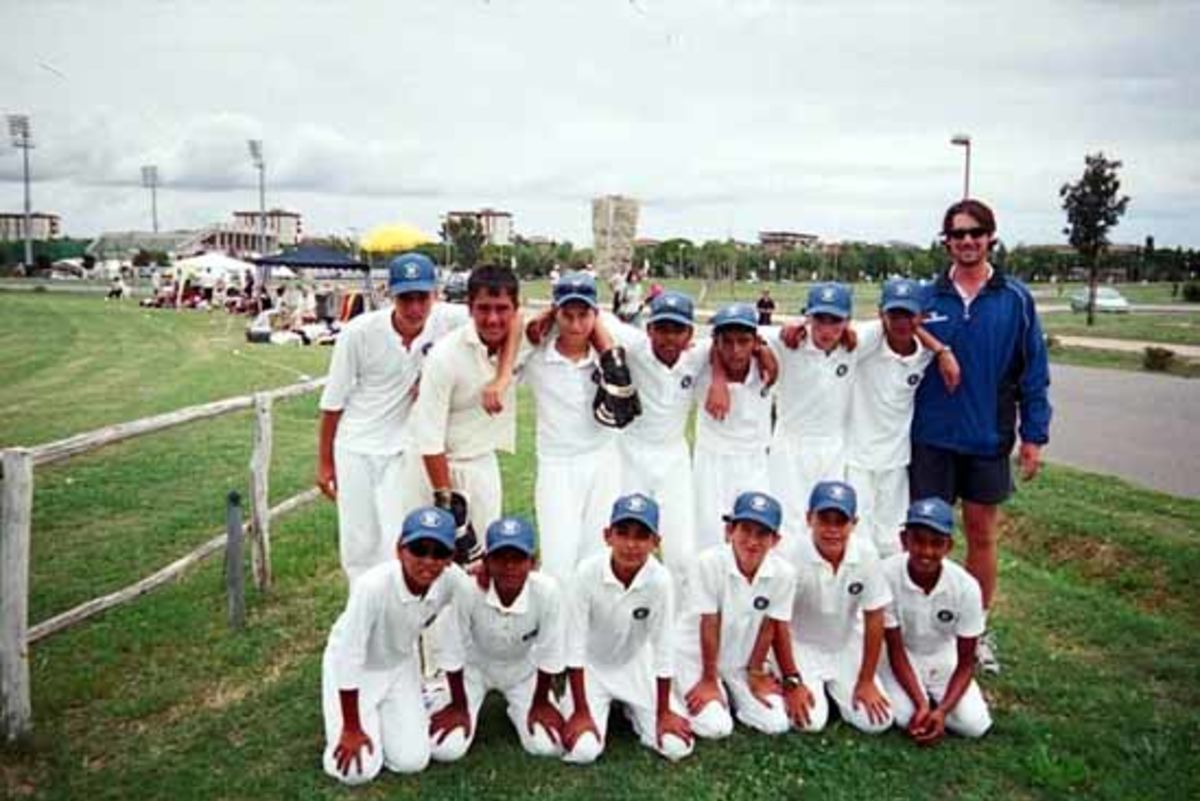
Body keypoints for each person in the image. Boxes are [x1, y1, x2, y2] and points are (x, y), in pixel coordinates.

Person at [910, 198, 1052, 673]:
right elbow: (893, 328)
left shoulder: (1014, 298)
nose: (967, 241)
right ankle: (919, 631)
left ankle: (975, 631)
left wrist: (1034, 435)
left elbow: (1034, 370)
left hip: (987, 437)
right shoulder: (927, 298)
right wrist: (940, 347)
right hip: (931, 437)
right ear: (946, 241)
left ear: (991, 237)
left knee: (981, 536)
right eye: (958, 234)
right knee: (925, 537)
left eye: (976, 232)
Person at [316, 252, 470, 583]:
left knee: (396, 536)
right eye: (405, 298)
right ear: (390, 295)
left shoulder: (449, 320)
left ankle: (399, 603)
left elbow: (505, 316)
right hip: (354, 445)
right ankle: (363, 604)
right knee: (358, 541)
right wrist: (325, 463)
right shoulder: (359, 332)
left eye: (422, 298)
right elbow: (332, 402)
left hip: (402, 448)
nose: (414, 308)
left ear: (435, 294)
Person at [320, 506, 472, 785]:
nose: (428, 561)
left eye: (439, 552)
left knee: (412, 761)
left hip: (401, 663)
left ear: (450, 558)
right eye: (418, 549)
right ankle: (349, 720)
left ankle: (399, 711)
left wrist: (487, 570)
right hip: (357, 669)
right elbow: (349, 655)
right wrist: (351, 727)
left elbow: (479, 594)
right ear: (400, 549)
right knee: (357, 772)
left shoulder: (451, 580)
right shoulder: (372, 587)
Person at [560, 494, 694, 764]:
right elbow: (574, 645)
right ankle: (586, 704)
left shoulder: (660, 580)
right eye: (622, 533)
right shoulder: (586, 573)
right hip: (592, 668)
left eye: (642, 536)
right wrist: (581, 712)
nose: (631, 545)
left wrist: (664, 710)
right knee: (584, 750)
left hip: (635, 663)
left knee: (676, 746)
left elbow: (663, 646)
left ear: (656, 542)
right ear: (607, 535)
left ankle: (633, 709)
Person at [411, 264, 523, 564]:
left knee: (484, 559)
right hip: (436, 469)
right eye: (483, 308)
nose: (493, 319)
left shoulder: (516, 340)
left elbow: (526, 320)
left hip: (482, 462)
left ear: (514, 310)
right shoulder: (445, 356)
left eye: (502, 309)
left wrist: (502, 377)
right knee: (435, 562)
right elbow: (429, 440)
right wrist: (447, 504)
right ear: (469, 308)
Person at [521, 272, 628, 584]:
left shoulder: (610, 347)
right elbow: (509, 343)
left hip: (603, 460)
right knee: (558, 560)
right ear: (555, 313)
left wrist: (604, 342)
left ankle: (589, 618)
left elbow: (648, 343)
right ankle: (558, 618)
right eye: (567, 315)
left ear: (597, 315)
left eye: (584, 315)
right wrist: (540, 320)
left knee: (597, 557)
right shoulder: (538, 354)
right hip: (557, 464)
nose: (576, 325)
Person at [427, 516, 565, 758]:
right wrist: (458, 706)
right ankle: (436, 695)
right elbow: (452, 648)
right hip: (474, 669)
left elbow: (549, 650)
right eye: (500, 557)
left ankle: (519, 708)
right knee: (445, 750)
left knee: (548, 747)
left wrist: (541, 702)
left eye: (518, 558)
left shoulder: (547, 592)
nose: (509, 566)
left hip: (522, 671)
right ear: (486, 561)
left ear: (533, 562)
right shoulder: (468, 589)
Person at [846, 278, 960, 557]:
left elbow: (922, 339)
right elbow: (829, 331)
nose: (901, 323)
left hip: (896, 461)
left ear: (921, 317)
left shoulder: (924, 355)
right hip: (856, 459)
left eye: (908, 315)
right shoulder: (866, 343)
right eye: (894, 315)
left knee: (892, 540)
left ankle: (888, 586)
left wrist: (941, 351)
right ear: (881, 314)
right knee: (858, 539)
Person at [676, 491, 796, 738]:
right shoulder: (707, 563)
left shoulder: (784, 573)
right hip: (695, 656)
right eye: (746, 530)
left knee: (777, 723)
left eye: (762, 534)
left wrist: (756, 672)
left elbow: (769, 626)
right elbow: (709, 622)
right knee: (716, 728)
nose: (752, 541)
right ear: (730, 530)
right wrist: (708, 679)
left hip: (739, 661)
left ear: (775, 540)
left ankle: (731, 697)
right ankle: (682, 692)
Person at [777, 481, 894, 735]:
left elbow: (875, 616)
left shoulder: (866, 553)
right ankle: (817, 691)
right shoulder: (791, 555)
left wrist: (866, 680)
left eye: (840, 522)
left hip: (845, 644)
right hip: (801, 645)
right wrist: (792, 680)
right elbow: (778, 622)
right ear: (809, 518)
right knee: (809, 723)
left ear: (854, 523)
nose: (832, 530)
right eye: (824, 520)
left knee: (878, 722)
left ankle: (835, 691)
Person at [879, 497, 993, 743]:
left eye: (936, 543)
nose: (926, 552)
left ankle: (940, 705)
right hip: (900, 656)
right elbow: (895, 649)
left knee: (975, 726)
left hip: (942, 655)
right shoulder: (886, 574)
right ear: (904, 540)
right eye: (918, 541)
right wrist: (921, 704)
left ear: (949, 546)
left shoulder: (966, 587)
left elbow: (966, 662)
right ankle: (922, 701)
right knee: (903, 716)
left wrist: (942, 711)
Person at [765, 282, 864, 542]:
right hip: (789, 444)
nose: (827, 330)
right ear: (808, 317)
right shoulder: (788, 341)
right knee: (787, 521)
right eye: (820, 320)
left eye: (836, 321)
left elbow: (903, 326)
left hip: (833, 446)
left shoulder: (855, 344)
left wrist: (942, 351)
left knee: (828, 519)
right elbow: (738, 331)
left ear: (848, 321)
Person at [693, 304, 776, 552]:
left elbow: (803, 332)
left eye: (743, 341)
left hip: (755, 461)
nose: (735, 350)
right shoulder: (700, 363)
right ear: (715, 342)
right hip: (712, 462)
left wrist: (765, 351)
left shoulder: (767, 361)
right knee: (708, 540)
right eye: (727, 342)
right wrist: (718, 377)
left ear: (756, 341)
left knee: (755, 535)